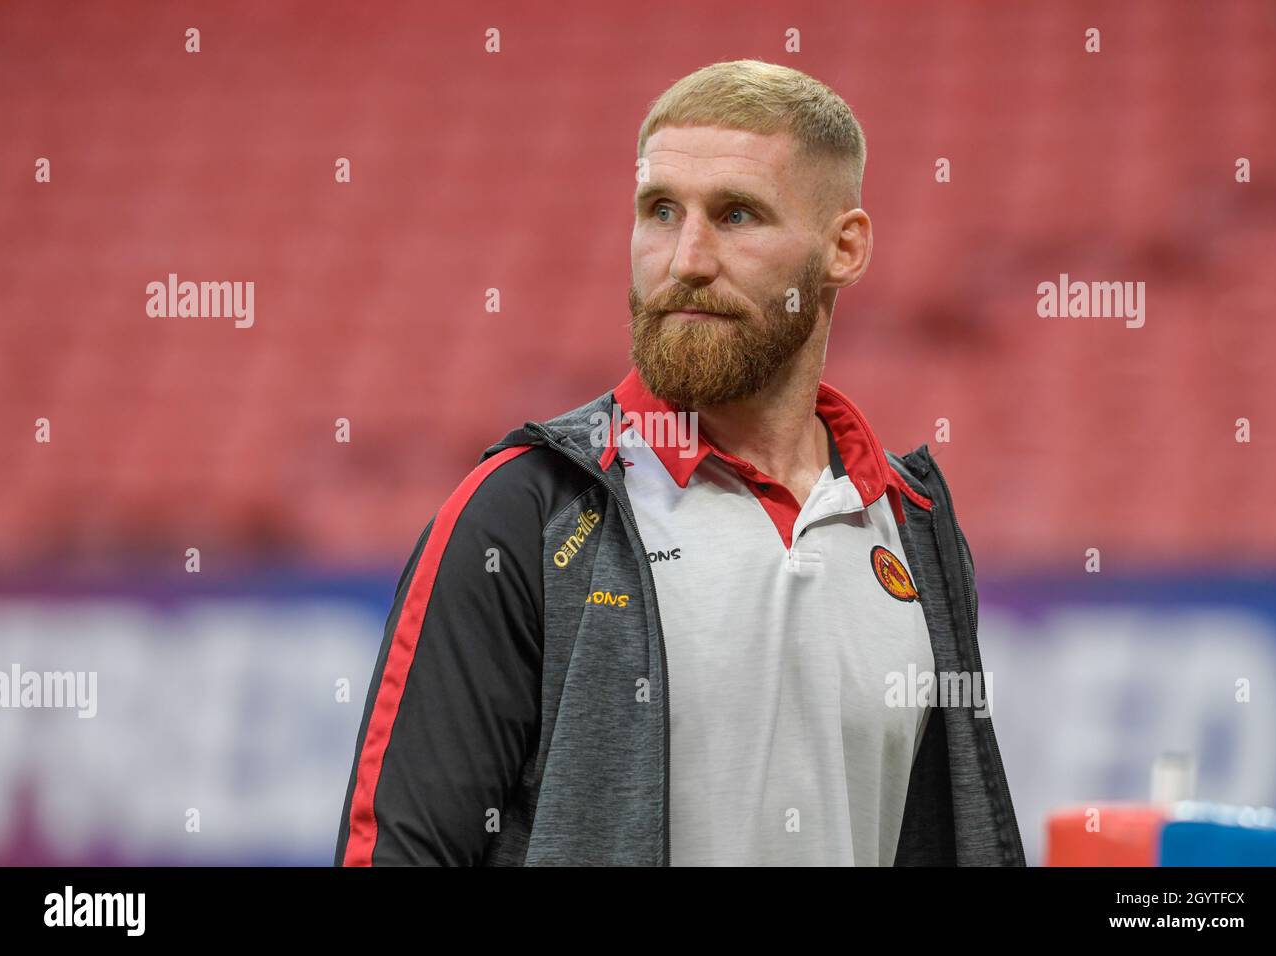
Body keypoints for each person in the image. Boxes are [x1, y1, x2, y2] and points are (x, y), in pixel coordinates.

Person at [335, 59, 1024, 866]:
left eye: (736, 215)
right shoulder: (523, 513)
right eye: (661, 211)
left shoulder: (914, 529)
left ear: (845, 247)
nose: (686, 257)